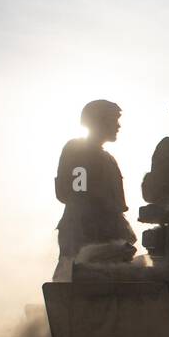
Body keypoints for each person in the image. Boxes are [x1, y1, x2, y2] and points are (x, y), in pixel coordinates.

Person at [52, 99, 136, 281]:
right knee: (75, 286)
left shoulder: (109, 160)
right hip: (83, 234)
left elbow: (117, 208)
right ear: (99, 121)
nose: (118, 126)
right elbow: (76, 195)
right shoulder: (78, 150)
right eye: (114, 120)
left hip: (109, 236)